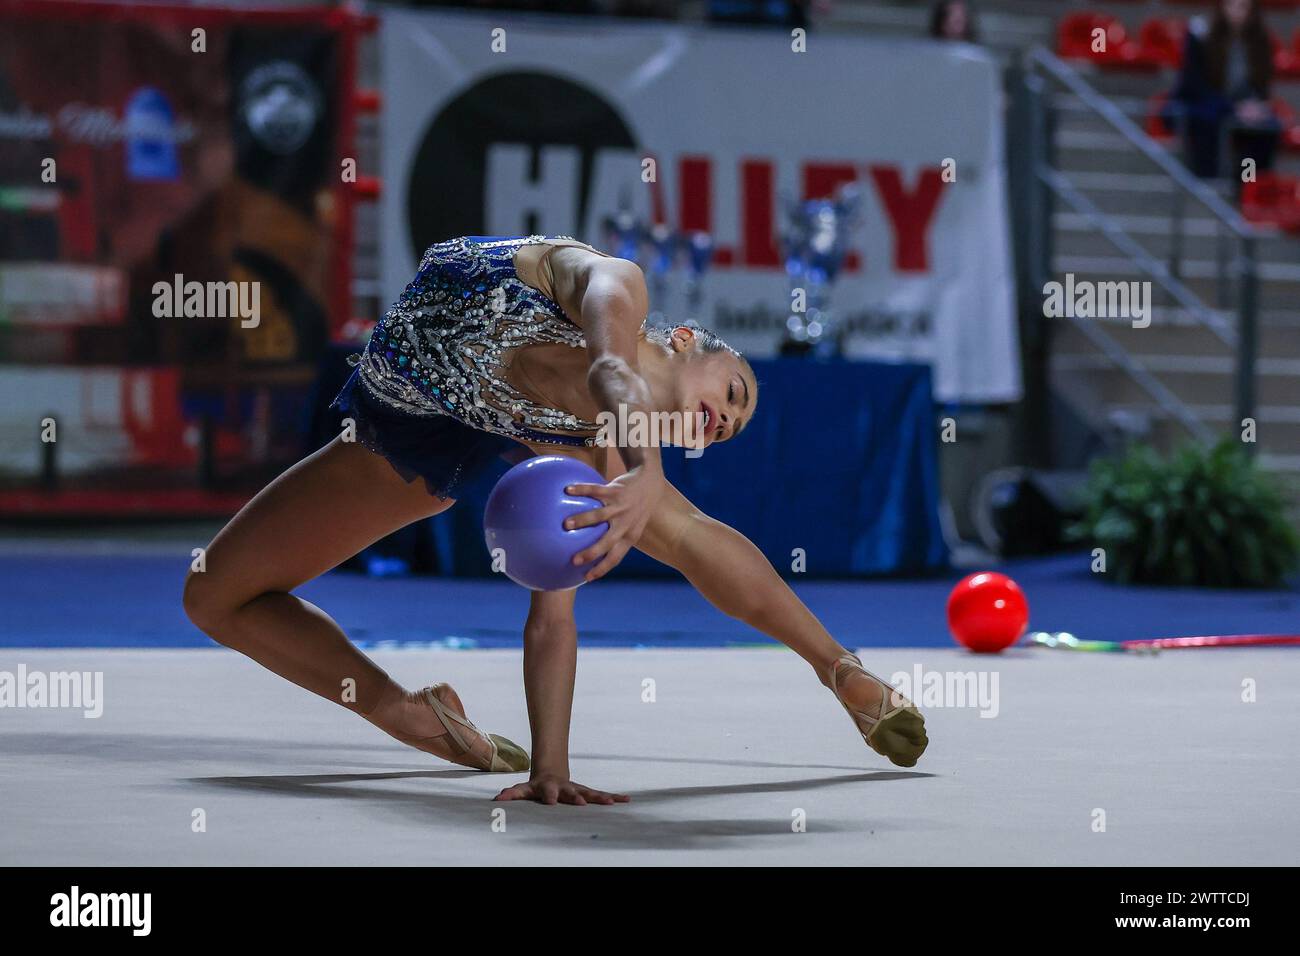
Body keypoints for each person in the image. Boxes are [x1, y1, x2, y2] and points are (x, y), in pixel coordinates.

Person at [182, 234, 928, 806]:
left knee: (681, 531)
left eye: (729, 429)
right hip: (402, 406)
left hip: (444, 422)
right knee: (213, 592)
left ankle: (843, 672)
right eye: (734, 391)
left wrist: (552, 772)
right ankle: (411, 712)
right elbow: (610, 372)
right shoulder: (615, 283)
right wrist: (647, 467)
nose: (725, 417)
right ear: (687, 338)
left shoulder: (587, 451)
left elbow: (553, 618)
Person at [1168, 0, 1280, 180]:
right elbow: (1193, 87)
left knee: (1267, 129)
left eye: (1243, 7)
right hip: (1204, 103)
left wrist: (1255, 106)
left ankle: (1246, 183)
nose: (1237, 12)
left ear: (1252, 12)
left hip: (1242, 107)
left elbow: (1261, 87)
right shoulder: (1201, 35)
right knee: (1207, 120)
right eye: (1231, 5)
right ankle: (1207, 182)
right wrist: (1232, 107)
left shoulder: (1260, 41)